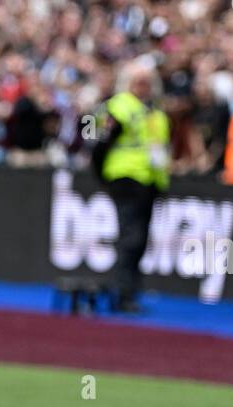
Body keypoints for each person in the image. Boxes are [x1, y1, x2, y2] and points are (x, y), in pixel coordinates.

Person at [92, 64, 169, 313]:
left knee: (140, 239)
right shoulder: (118, 105)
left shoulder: (155, 113)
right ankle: (123, 293)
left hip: (149, 180)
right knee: (132, 237)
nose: (143, 86)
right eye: (138, 81)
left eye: (147, 81)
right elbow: (95, 136)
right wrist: (100, 173)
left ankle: (130, 291)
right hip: (125, 177)